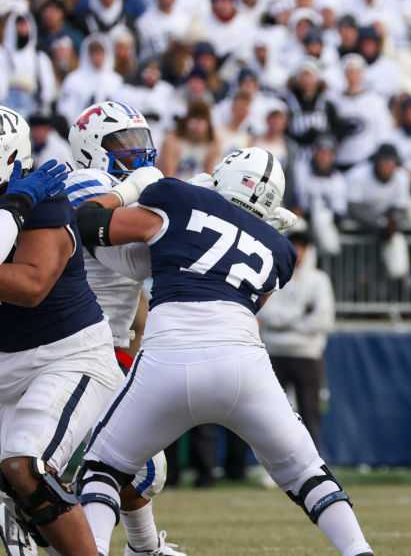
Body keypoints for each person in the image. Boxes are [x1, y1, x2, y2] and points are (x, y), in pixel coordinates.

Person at [72, 147, 373, 556]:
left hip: (170, 354)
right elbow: (251, 300)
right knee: (307, 473)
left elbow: (89, 223)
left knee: (103, 468)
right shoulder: (279, 249)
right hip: (243, 363)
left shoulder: (177, 198)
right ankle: (359, 550)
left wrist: (128, 189)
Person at [63, 101, 186, 556]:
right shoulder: (84, 182)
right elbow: (102, 224)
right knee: (138, 464)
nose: (138, 154)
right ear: (92, 147)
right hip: (70, 346)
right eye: (124, 145)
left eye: (141, 144)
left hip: (99, 342)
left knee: (133, 463)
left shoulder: (124, 190)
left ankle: (143, 545)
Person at [0, 105, 122, 556]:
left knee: (26, 465)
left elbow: (31, 285)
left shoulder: (44, 200)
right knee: (19, 484)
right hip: (6, 364)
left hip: (66, 357)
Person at [257, 226, 335, 450]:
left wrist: (280, 323)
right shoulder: (274, 276)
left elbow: (323, 321)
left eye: (302, 248)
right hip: (273, 353)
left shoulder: (319, 280)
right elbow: (264, 313)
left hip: (307, 355)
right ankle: (272, 467)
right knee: (273, 414)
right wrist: (299, 315)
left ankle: (314, 467)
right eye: (294, 248)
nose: (298, 253)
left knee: (310, 412)